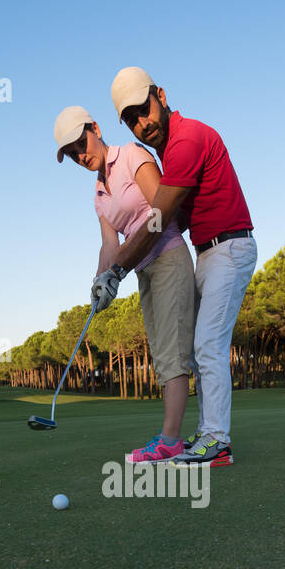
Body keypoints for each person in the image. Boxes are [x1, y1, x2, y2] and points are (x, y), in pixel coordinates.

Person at [91, 68, 256, 467]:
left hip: (229, 248)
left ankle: (217, 442)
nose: (141, 123)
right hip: (208, 251)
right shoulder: (169, 148)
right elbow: (175, 217)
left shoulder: (186, 139)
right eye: (130, 119)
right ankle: (208, 434)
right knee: (201, 349)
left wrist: (117, 270)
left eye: (143, 110)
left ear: (160, 96)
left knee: (207, 345)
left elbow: (157, 219)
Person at [53, 105, 195, 462]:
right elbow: (110, 245)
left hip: (170, 258)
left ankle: (171, 440)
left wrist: (117, 270)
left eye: (80, 143)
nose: (80, 155)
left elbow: (162, 210)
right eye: (71, 154)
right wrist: (101, 279)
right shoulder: (99, 195)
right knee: (163, 356)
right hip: (144, 271)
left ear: (95, 128)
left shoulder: (132, 156)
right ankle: (174, 437)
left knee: (175, 352)